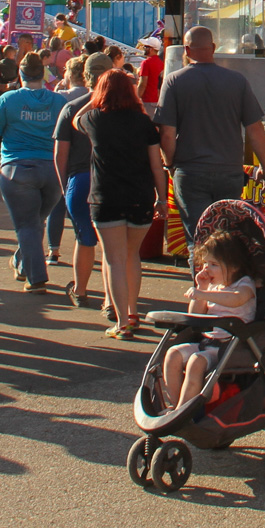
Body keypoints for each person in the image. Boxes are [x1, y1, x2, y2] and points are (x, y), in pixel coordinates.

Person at [156, 26, 265, 257]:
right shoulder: (236, 81)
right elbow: (255, 130)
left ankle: (202, 288)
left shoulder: (174, 82)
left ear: (187, 50)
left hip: (190, 171)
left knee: (198, 242)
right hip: (229, 171)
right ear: (214, 48)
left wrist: (170, 164)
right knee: (226, 240)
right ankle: (225, 289)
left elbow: (167, 133)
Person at [80, 69, 167, 339]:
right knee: (132, 257)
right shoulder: (144, 123)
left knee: (113, 259)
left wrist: (93, 97)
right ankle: (132, 312)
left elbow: (74, 120)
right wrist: (162, 198)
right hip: (139, 196)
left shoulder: (94, 119)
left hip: (105, 197)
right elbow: (156, 165)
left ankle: (121, 323)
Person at [0, 52, 68, 293]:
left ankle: (37, 277)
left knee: (27, 225)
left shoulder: (8, 99)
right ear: (42, 74)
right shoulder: (58, 102)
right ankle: (22, 264)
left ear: (20, 75)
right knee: (34, 222)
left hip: (17, 169)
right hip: (52, 171)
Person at [162, 227, 258, 407]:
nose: (207, 269)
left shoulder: (244, 284)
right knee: (172, 354)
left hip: (231, 348)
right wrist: (202, 289)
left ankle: (184, 409)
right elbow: (195, 315)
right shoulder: (213, 287)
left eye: (214, 264)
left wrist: (205, 295)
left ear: (234, 265)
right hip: (208, 343)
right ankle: (174, 407)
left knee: (195, 362)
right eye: (205, 264)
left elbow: (237, 299)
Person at [55, 52, 113, 314]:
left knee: (84, 237)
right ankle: (112, 300)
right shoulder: (119, 109)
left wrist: (63, 185)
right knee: (112, 243)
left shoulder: (71, 108)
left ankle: (80, 289)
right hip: (111, 180)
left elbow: (60, 155)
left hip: (79, 180)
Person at [137, 35, 165, 112]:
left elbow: (143, 83)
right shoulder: (161, 63)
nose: (144, 48)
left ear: (151, 49)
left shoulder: (146, 63)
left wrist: (136, 98)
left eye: (146, 46)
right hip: (158, 100)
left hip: (147, 101)